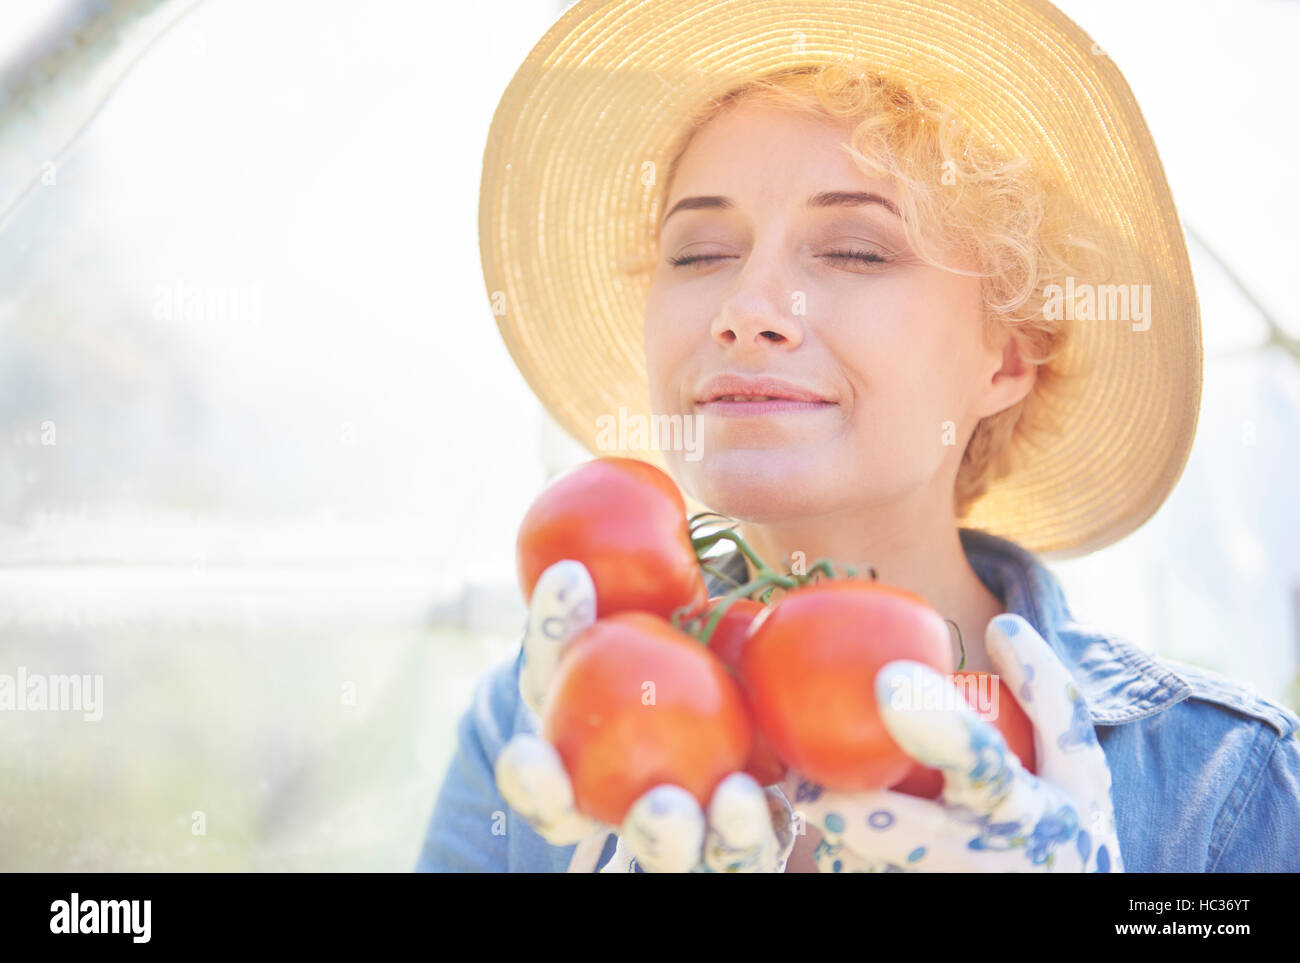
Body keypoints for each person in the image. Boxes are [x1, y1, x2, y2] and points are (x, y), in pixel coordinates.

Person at [416, 0, 1300, 872]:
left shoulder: (1227, 790)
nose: (746, 310)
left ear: (1006, 358)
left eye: (855, 251)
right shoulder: (524, 738)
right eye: (697, 252)